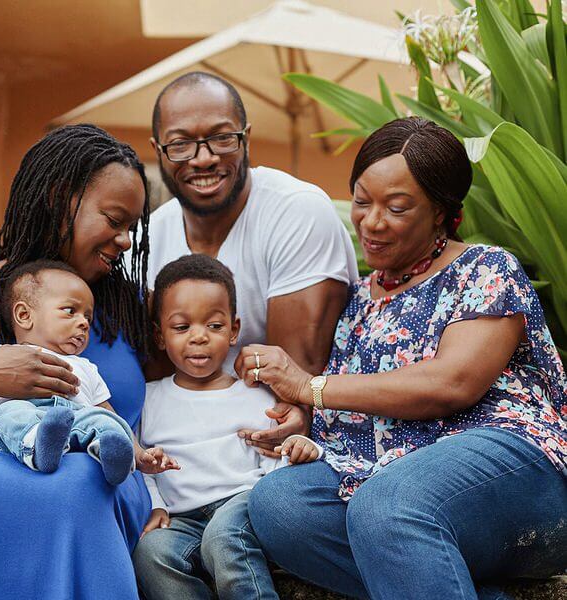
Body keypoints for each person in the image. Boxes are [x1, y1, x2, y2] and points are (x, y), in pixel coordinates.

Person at [243, 117, 567, 599]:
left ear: (440, 212)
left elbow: (451, 384)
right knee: (280, 505)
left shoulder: (484, 269)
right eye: (361, 201)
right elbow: (356, 404)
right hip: (386, 477)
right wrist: (303, 418)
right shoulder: (357, 300)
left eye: (396, 207)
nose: (371, 222)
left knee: (389, 504)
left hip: (510, 469)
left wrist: (310, 387)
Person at [0, 124, 154, 599]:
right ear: (59, 199)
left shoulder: (136, 309)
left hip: (103, 481)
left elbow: (197, 381)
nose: (125, 240)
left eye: (132, 227)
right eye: (114, 220)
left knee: (80, 480)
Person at [146, 71, 358, 459]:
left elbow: (294, 384)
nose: (204, 158)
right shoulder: (148, 237)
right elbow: (156, 373)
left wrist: (293, 415)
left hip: (282, 447)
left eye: (222, 138)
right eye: (180, 145)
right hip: (181, 448)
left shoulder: (296, 212)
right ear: (157, 149)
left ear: (246, 137)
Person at [133, 254, 321, 600]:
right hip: (182, 518)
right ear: (159, 335)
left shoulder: (257, 395)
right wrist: (157, 505)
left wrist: (297, 449)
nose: (199, 337)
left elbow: (275, 457)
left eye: (214, 326)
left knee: (223, 536)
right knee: (151, 552)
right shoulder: (148, 398)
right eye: (182, 327)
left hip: (241, 504)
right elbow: (144, 465)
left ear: (234, 330)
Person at [0, 259, 174, 484]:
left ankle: (116, 457)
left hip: (74, 420)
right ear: (25, 315)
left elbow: (107, 410)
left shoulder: (86, 367)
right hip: (21, 415)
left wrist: (139, 453)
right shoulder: (2, 354)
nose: (83, 323)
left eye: (87, 317)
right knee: (9, 414)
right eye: (70, 311)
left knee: (103, 420)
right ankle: (38, 444)